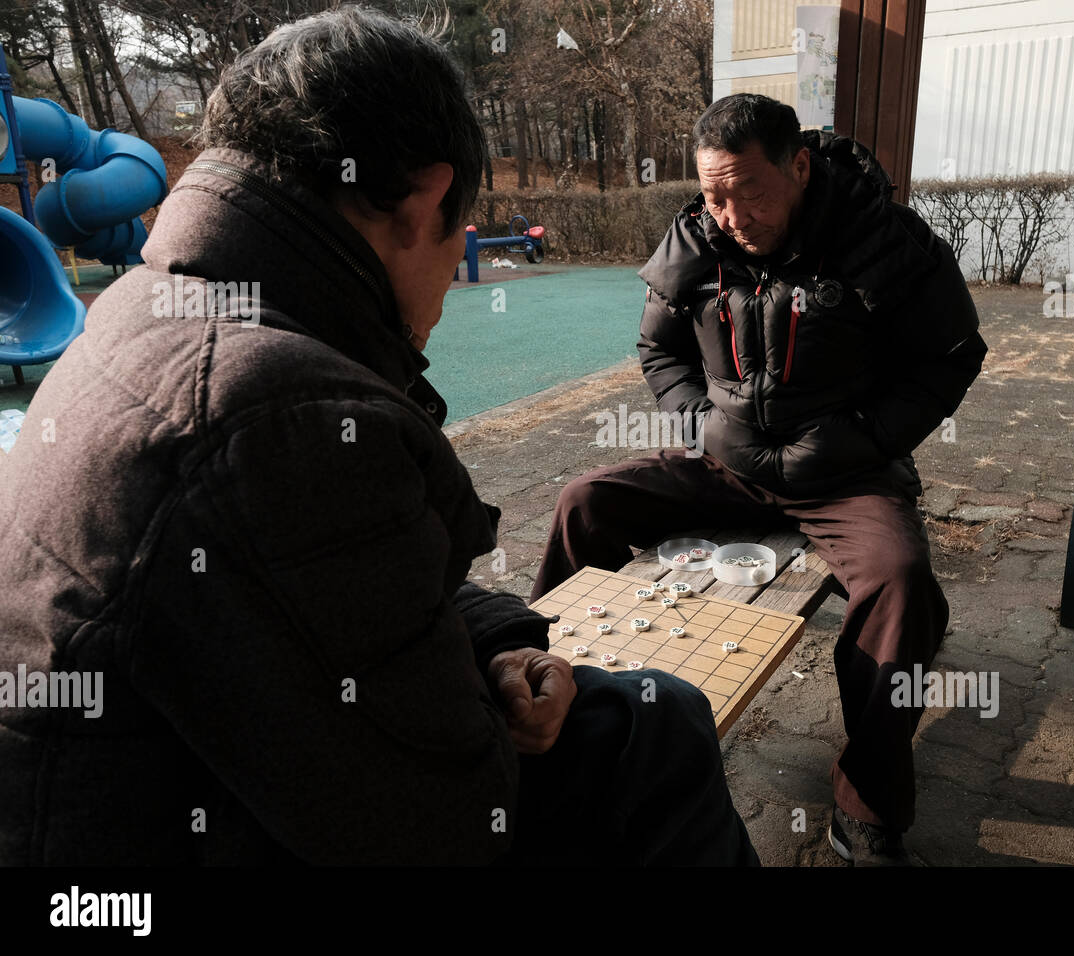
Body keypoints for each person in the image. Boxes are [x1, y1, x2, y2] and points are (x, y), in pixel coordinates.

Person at [0, 6, 756, 867]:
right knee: (657, 726)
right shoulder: (282, 420)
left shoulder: (145, 307)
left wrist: (498, 640)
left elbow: (311, 606)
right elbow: (445, 819)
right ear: (426, 199)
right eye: (459, 228)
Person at [532, 93, 988, 865]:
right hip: (724, 459)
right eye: (714, 193)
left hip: (845, 472)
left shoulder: (885, 239)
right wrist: (699, 424)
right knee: (584, 503)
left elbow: (952, 355)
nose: (731, 212)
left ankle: (867, 799)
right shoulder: (694, 239)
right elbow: (660, 353)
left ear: (800, 167)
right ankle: (544, 706)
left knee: (902, 583)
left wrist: (866, 438)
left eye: (750, 190)